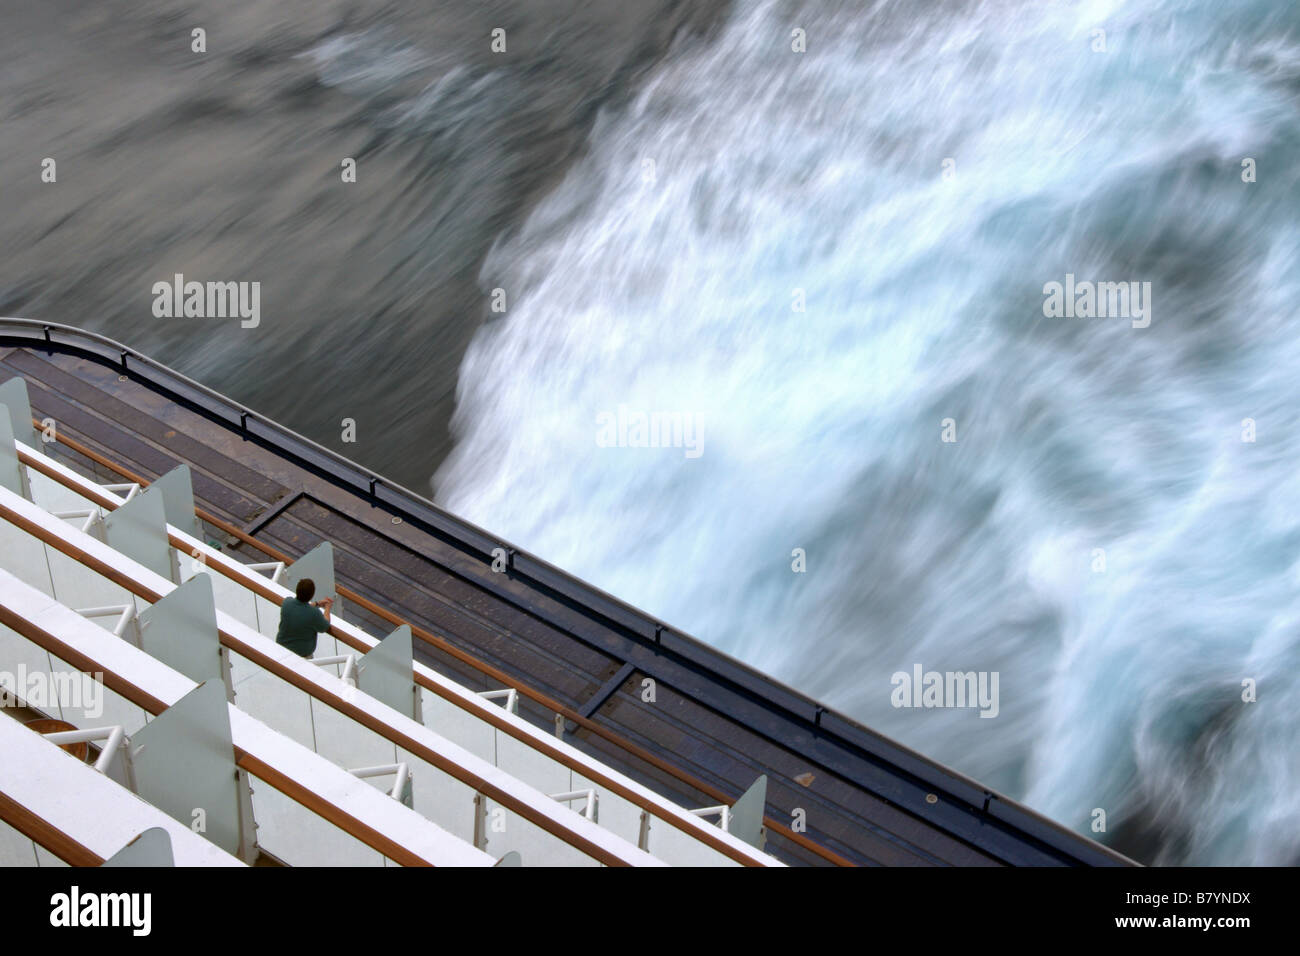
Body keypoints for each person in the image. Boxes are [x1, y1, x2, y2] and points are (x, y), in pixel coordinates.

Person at [275, 578, 332, 658]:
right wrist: (327, 608)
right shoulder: (314, 613)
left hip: (281, 649)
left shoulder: (287, 602)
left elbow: (301, 608)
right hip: (300, 656)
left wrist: (317, 604)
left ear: (297, 590)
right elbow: (325, 626)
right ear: (312, 595)